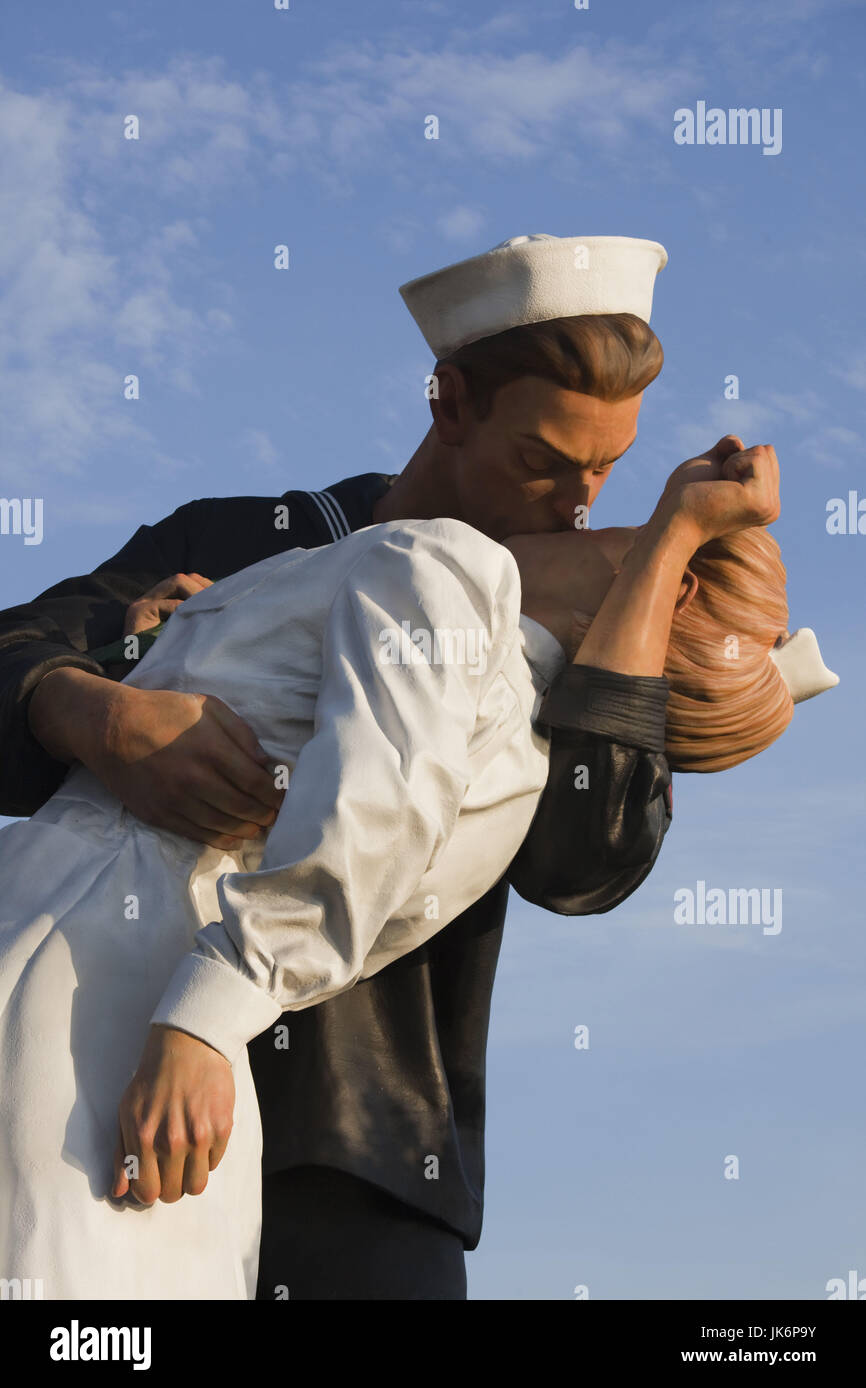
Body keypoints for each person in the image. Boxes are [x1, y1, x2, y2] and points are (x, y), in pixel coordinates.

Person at [0, 234, 709, 1299]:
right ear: (450, 401)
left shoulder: (580, 625)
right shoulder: (245, 541)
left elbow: (585, 863)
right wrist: (92, 709)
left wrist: (640, 607)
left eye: (604, 470)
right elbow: (26, 645)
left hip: (364, 1155)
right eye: (543, 460)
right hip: (95, 1079)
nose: (577, 503)